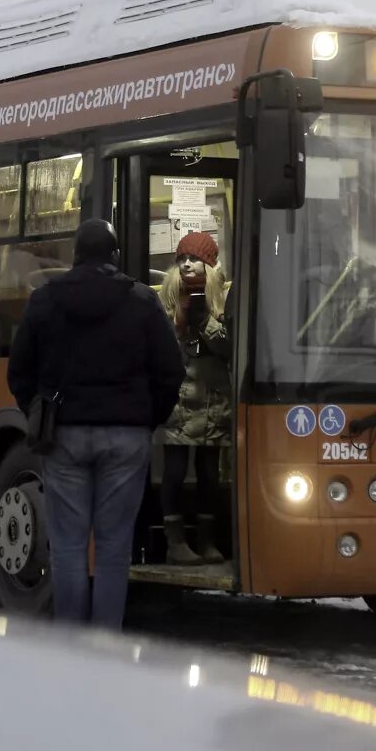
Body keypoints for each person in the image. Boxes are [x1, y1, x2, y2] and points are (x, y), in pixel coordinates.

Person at [7, 218, 184, 629]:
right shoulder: (142, 300)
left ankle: (71, 644)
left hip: (64, 434)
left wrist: (38, 408)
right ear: (115, 256)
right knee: (114, 547)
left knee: (67, 547)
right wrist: (146, 418)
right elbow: (170, 370)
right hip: (126, 437)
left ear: (75, 256)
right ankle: (105, 645)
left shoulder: (46, 300)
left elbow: (19, 369)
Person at [157, 231, 232, 566]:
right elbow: (159, 345)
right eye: (182, 259)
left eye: (194, 259)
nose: (187, 264)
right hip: (178, 397)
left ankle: (206, 539)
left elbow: (228, 347)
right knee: (174, 470)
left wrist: (204, 320)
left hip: (212, 398)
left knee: (209, 474)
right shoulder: (166, 298)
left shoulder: (223, 298)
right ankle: (175, 542)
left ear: (209, 265)